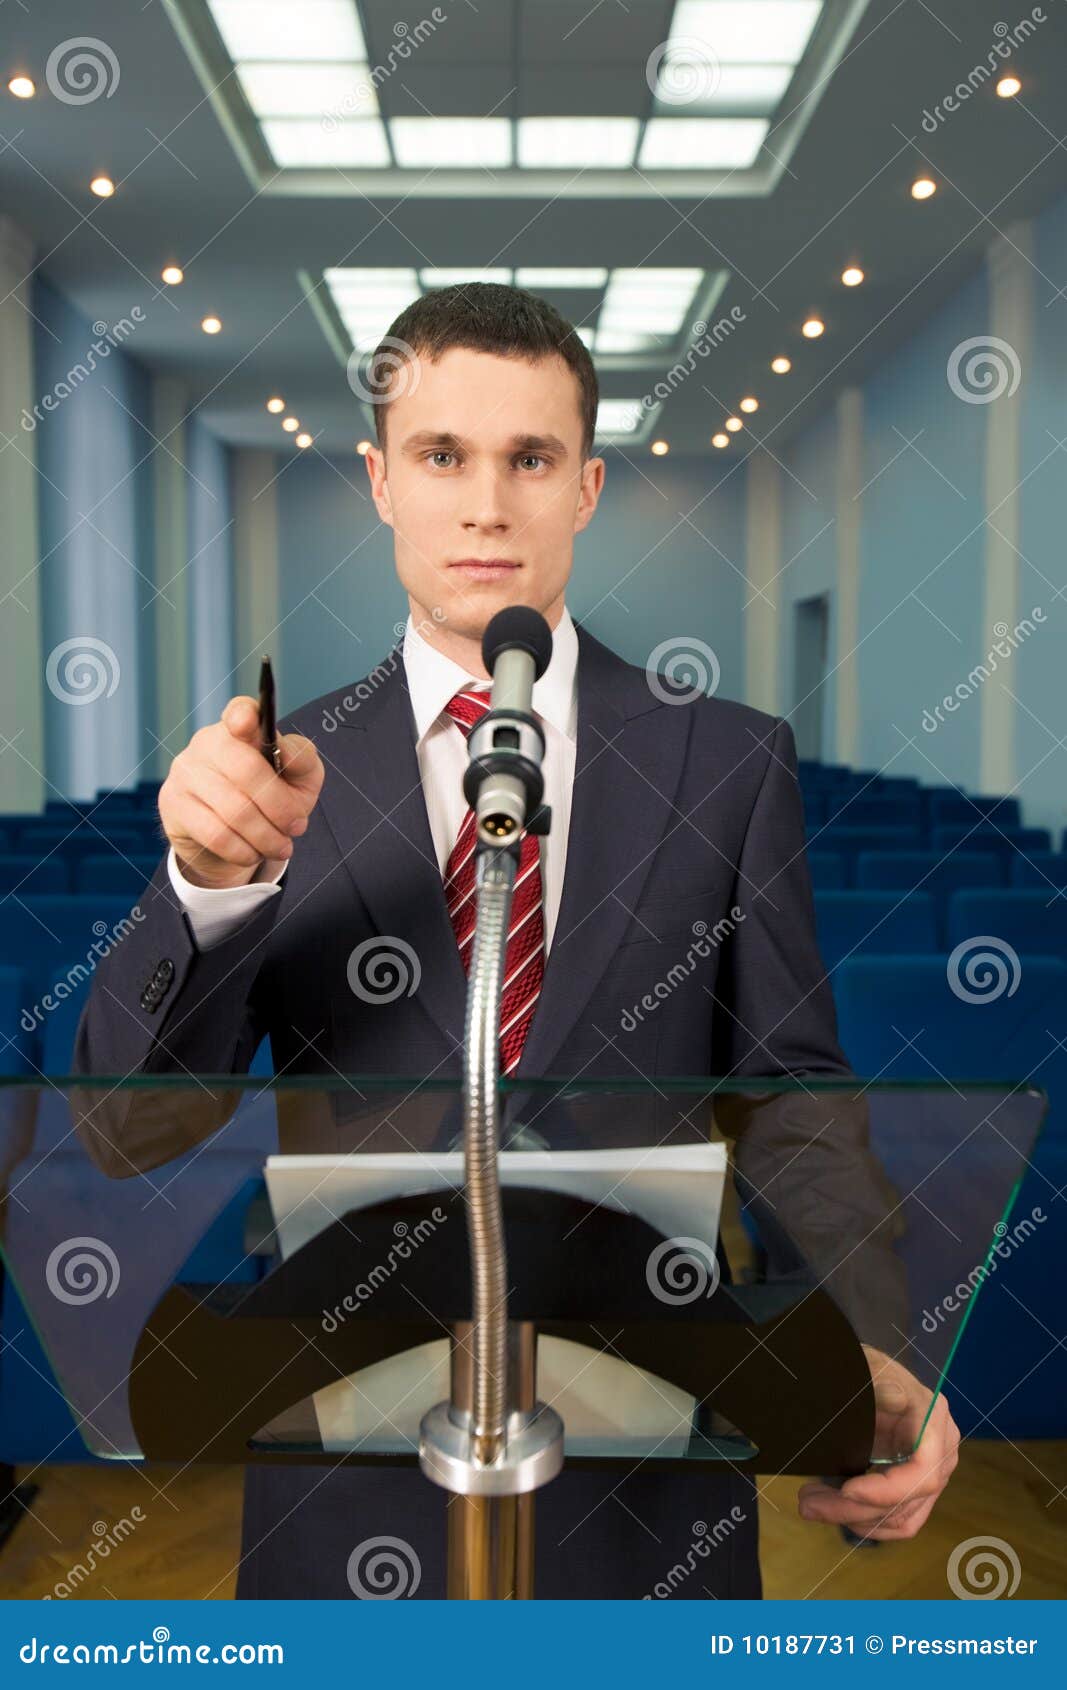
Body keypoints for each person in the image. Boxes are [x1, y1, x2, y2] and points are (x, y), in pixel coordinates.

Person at [73, 282, 958, 1599]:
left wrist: (875, 1350)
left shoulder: (725, 760)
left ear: (586, 487)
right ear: (381, 480)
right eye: (443, 456)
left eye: (531, 458)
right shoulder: (274, 775)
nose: (487, 504)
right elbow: (123, 1129)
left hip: (653, 1469)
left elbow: (791, 1098)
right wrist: (205, 886)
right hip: (348, 1460)